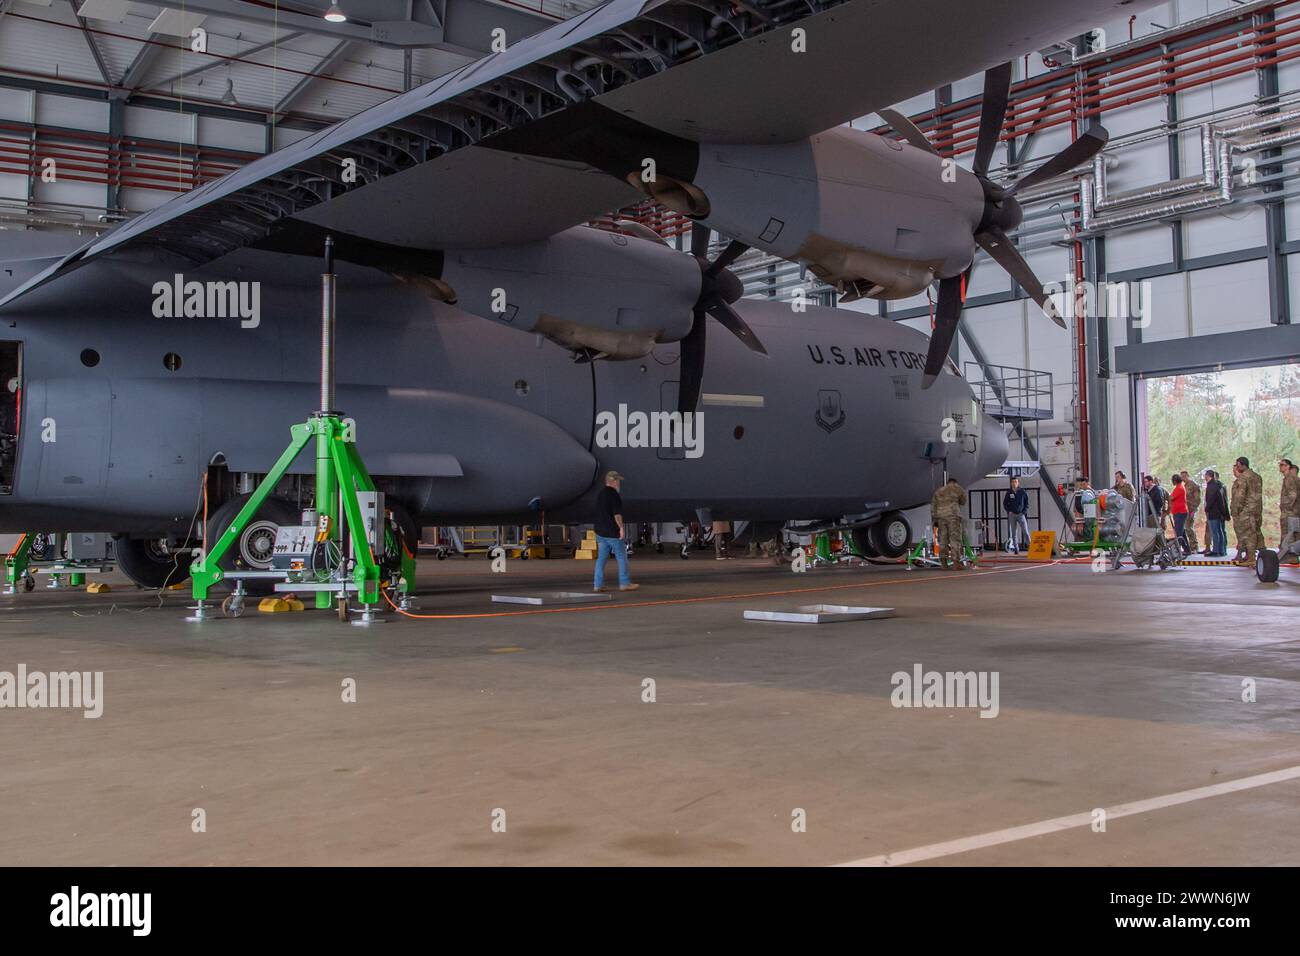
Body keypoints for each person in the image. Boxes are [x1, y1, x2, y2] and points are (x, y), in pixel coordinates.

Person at [592, 470, 639, 592]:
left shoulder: (600, 494)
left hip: (600, 532)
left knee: (601, 559)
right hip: (612, 532)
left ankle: (597, 585)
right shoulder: (614, 495)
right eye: (618, 481)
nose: (619, 483)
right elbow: (617, 515)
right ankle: (624, 583)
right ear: (613, 481)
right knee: (621, 557)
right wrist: (621, 528)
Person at [1230, 456, 1263, 566]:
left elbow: (1240, 496)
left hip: (1246, 510)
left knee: (1248, 534)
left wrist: (1237, 510)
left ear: (1241, 464)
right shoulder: (1257, 477)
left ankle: (1251, 558)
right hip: (1256, 509)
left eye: (1237, 465)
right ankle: (1251, 556)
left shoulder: (1243, 478)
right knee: (1254, 532)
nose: (1237, 467)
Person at [930, 477, 967, 570]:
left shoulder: (939, 491)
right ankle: (956, 563)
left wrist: (934, 520)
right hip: (953, 517)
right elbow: (963, 501)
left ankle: (943, 563)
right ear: (955, 482)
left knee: (943, 540)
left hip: (941, 518)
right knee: (955, 539)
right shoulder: (957, 488)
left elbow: (933, 506)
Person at [1203, 469, 1229, 557]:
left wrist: (1207, 509)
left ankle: (1216, 550)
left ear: (1208, 476)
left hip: (1213, 512)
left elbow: (1210, 499)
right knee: (1220, 531)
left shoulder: (1212, 486)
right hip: (1220, 512)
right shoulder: (1219, 485)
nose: (1204, 477)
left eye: (1205, 475)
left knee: (1215, 532)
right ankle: (1222, 550)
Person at [1002, 477, 1030, 554]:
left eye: (1016, 482)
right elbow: (1005, 503)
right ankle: (1016, 549)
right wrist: (1009, 511)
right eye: (1013, 482)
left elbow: (1027, 504)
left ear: (1018, 483)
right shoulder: (1009, 492)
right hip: (1012, 515)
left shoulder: (1023, 492)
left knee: (1025, 531)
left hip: (1021, 515)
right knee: (1014, 533)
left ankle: (1030, 547)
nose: (1014, 483)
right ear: (1011, 483)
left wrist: (1023, 512)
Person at [1179, 470, 1201, 554]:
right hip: (1185, 510)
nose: (1183, 478)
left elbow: (1197, 499)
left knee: (1189, 528)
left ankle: (1194, 547)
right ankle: (1188, 547)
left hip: (1191, 509)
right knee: (1185, 528)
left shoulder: (1193, 485)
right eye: (1182, 476)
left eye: (1184, 476)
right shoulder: (1184, 486)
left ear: (1188, 475)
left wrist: (1194, 510)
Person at [1279, 459, 1298, 550]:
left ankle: (1290, 556)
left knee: (1288, 533)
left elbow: (1293, 495)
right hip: (1292, 511)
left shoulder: (1289, 478)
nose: (1280, 466)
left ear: (1288, 466)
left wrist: (1287, 507)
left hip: (1289, 512)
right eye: (1280, 464)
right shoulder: (1289, 478)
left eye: (1282, 464)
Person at [1168, 473, 1189, 555]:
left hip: (1180, 512)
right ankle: (1187, 549)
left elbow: (1171, 497)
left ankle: (1178, 550)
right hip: (1178, 512)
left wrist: (1169, 496)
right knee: (1182, 531)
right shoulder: (1179, 487)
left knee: (1178, 532)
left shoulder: (1179, 488)